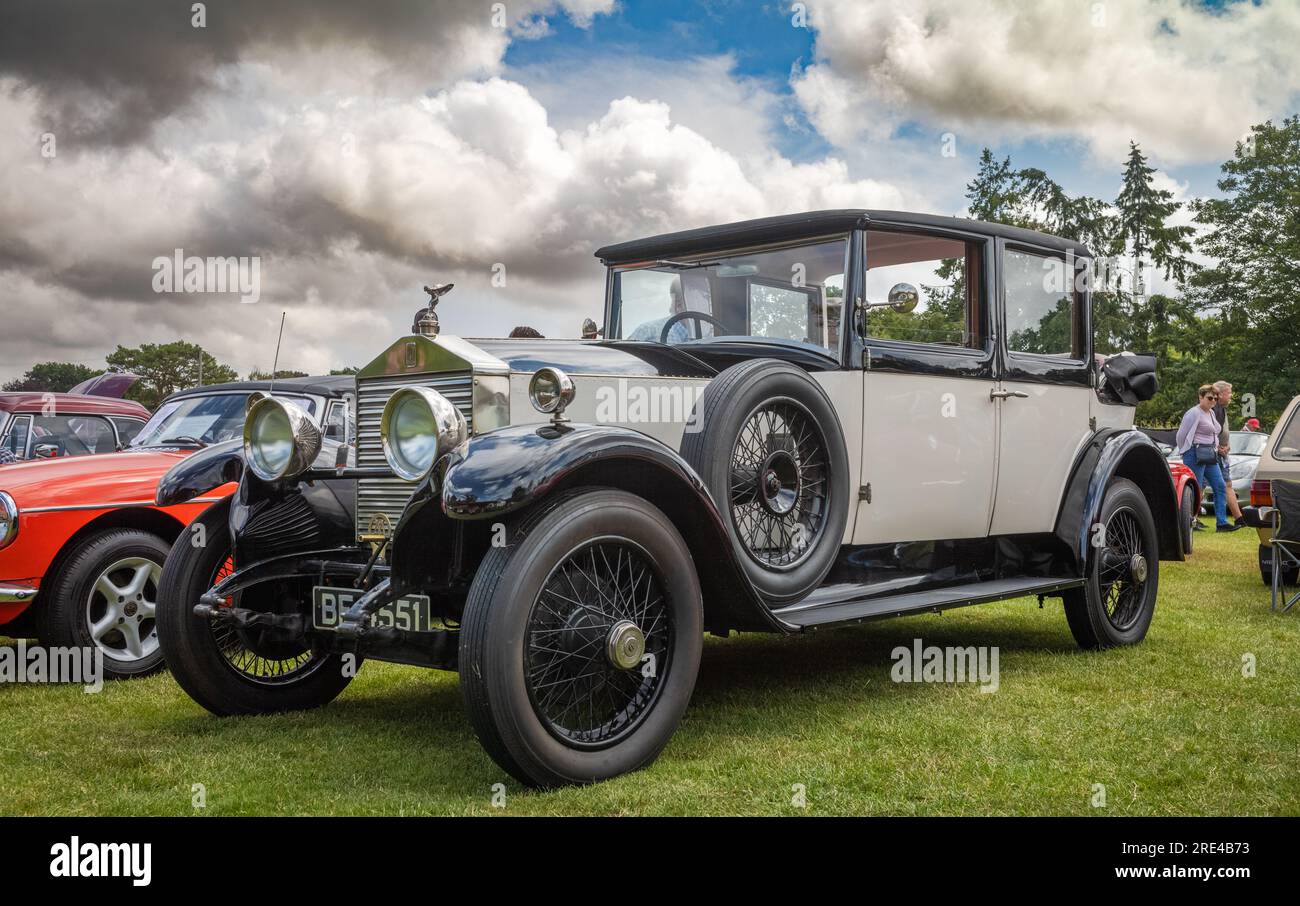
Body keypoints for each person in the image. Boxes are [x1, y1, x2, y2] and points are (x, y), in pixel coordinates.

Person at [1176, 385, 1240, 532]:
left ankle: (1222, 523)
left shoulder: (1210, 413)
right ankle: (1190, 520)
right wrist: (1185, 451)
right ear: (1201, 397)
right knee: (1196, 488)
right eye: (1210, 398)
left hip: (1210, 454)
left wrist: (1218, 447)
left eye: (1215, 398)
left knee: (1220, 486)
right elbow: (1181, 435)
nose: (1213, 401)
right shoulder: (1193, 413)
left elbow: (1214, 433)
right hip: (1194, 453)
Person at [1211, 380, 1245, 525]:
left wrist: (1227, 445)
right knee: (1219, 485)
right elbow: (1210, 431)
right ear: (1222, 393)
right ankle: (1192, 518)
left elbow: (1223, 432)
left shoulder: (1221, 409)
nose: (1231, 396)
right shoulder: (1215, 409)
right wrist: (1218, 446)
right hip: (1214, 454)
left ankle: (1238, 518)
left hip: (1221, 453)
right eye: (1229, 393)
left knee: (1226, 485)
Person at [628, 277, 691, 344]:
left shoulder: (703, 336)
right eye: (697, 300)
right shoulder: (647, 331)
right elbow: (625, 353)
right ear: (679, 305)